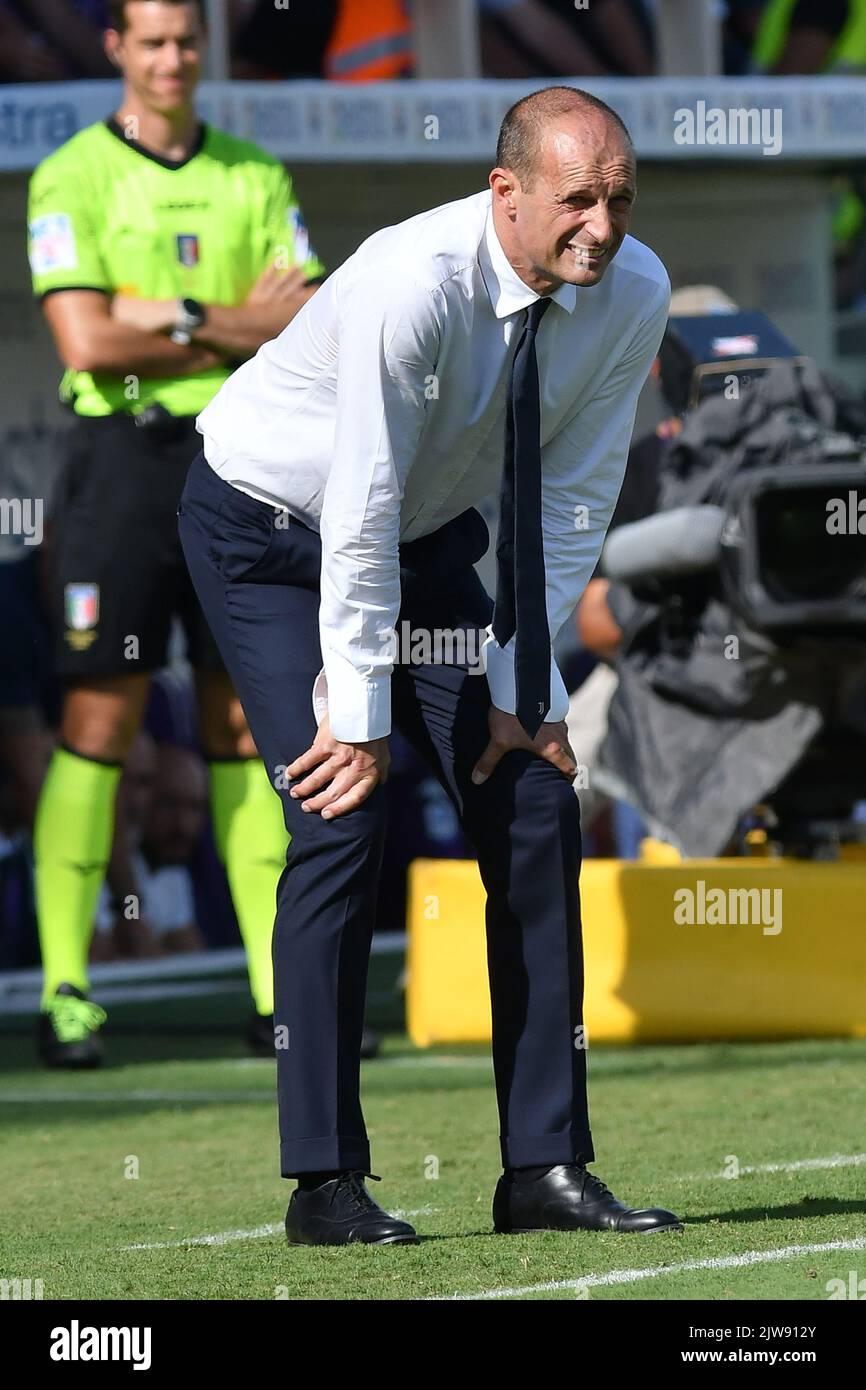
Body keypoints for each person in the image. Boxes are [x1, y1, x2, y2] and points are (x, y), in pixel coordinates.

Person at [179, 84, 683, 1245]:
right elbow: (353, 508)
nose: (600, 228)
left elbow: (570, 498)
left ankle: (542, 1170)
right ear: (502, 192)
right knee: (337, 814)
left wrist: (524, 688)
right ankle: (324, 1184)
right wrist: (355, 717)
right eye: (574, 201)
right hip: (270, 534)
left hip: (424, 535)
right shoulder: (412, 281)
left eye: (616, 199)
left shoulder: (634, 289)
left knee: (533, 792)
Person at [28, 0, 324, 1069]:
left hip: (241, 456)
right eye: (149, 40)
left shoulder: (254, 171)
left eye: (186, 40)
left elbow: (303, 317)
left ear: (208, 49)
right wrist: (224, 318)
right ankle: (69, 991)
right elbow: (84, 334)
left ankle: (273, 996)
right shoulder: (71, 174)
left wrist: (168, 313)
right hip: (120, 471)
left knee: (243, 727)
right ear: (114, 48)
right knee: (99, 723)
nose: (170, 58)